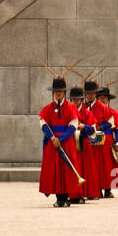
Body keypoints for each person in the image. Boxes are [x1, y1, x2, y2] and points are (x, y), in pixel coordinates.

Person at [38, 77, 82, 208]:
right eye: (56, 91)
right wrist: (52, 138)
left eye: (61, 91)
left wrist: (61, 139)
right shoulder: (47, 109)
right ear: (53, 92)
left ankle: (66, 197)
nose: (58, 93)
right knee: (55, 170)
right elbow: (43, 124)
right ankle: (59, 198)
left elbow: (73, 125)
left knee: (67, 169)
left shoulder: (71, 107)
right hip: (53, 143)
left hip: (66, 142)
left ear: (64, 93)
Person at [93, 86, 118, 197]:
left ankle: (108, 190)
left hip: (109, 141)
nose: (102, 99)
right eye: (100, 97)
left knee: (108, 167)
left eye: (105, 97)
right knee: (96, 166)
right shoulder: (92, 111)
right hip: (95, 140)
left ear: (108, 99)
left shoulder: (114, 113)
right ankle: (97, 189)